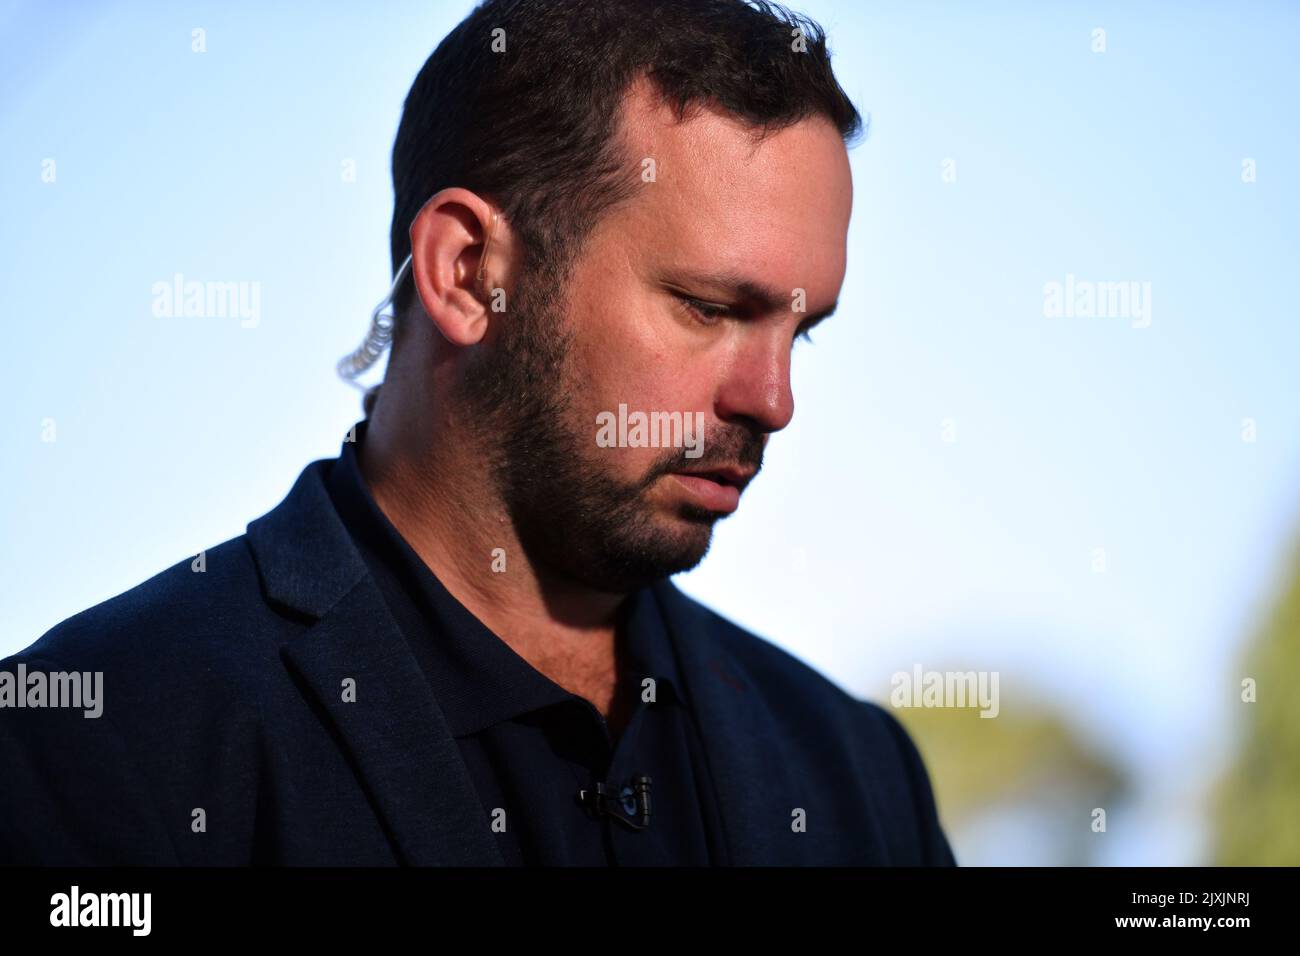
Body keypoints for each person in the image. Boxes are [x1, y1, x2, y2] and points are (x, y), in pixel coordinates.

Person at [0, 0, 956, 866]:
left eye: (804, 331)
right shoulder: (95, 740)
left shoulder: (857, 778)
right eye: (708, 308)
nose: (774, 399)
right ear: (465, 271)